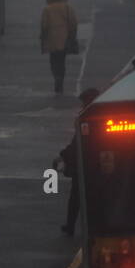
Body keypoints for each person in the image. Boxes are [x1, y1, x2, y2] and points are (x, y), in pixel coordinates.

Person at [56, 87, 101, 235]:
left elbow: (77, 143)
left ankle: (72, 226)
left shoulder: (86, 119)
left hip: (85, 166)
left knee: (77, 197)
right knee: (87, 197)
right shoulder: (97, 116)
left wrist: (63, 155)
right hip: (94, 166)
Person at [40, 0, 77, 93]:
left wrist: (42, 36)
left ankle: (56, 76)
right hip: (65, 39)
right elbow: (73, 23)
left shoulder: (47, 9)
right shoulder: (68, 8)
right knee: (62, 61)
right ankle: (60, 79)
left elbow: (44, 25)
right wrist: (72, 36)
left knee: (53, 60)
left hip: (52, 40)